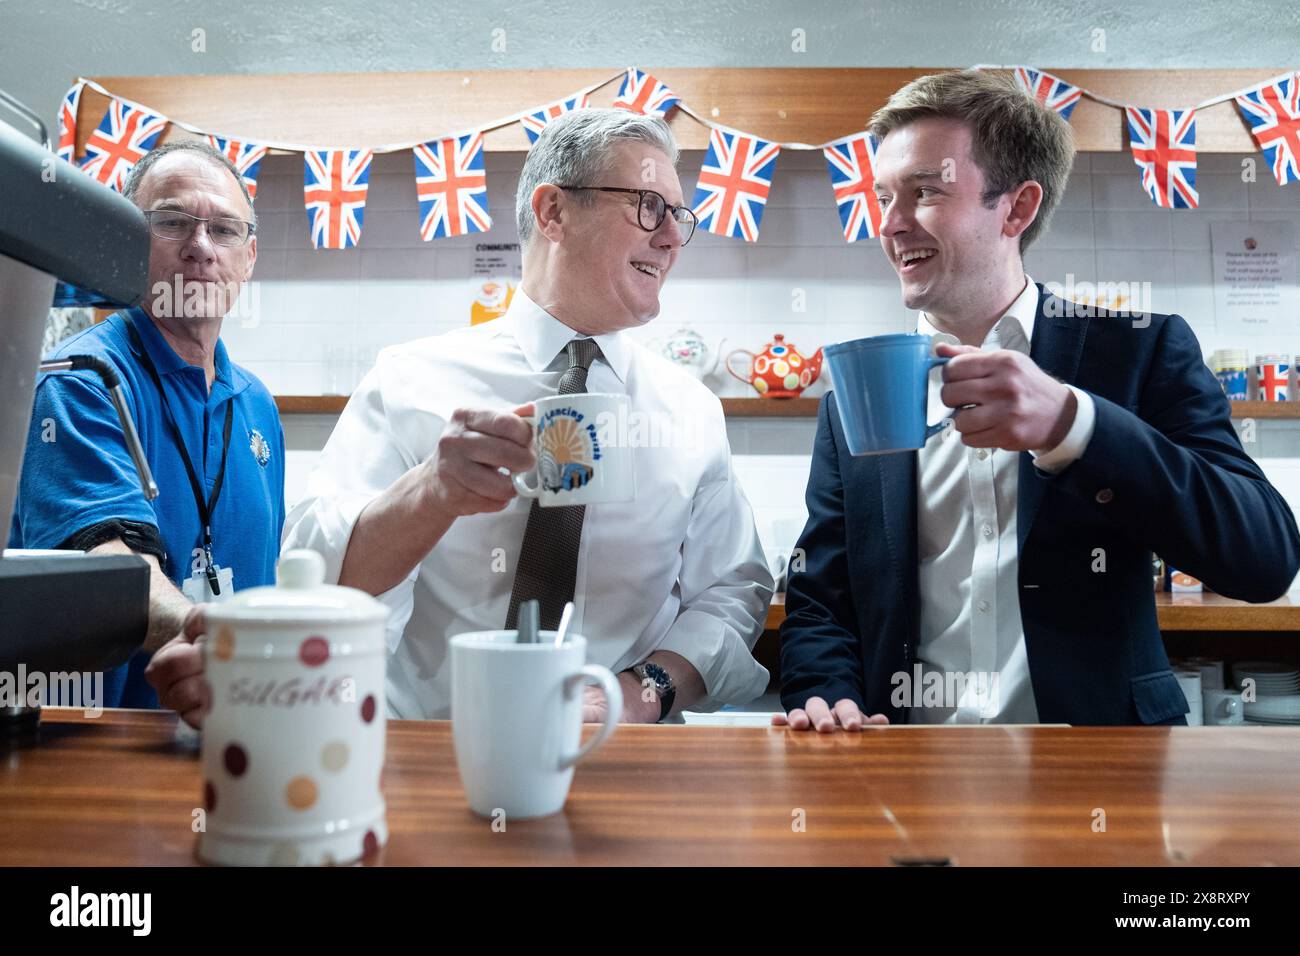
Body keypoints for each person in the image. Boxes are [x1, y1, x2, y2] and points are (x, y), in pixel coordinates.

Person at [149, 108, 772, 723]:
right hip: (429, 763)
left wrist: (642, 691)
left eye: (678, 216)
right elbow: (320, 587)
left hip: (625, 763)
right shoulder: (409, 380)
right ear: (553, 211)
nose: (670, 237)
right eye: (648, 206)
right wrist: (431, 492)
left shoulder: (690, 411)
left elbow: (734, 590)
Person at [777, 69, 1300, 731]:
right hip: (904, 768)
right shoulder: (854, 392)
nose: (890, 224)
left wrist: (1073, 426)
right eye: (883, 196)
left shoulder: (1140, 351)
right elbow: (822, 598)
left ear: (1017, 209)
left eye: (925, 192)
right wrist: (827, 694)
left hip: (1099, 772)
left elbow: (1264, 558)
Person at [10, 140, 284, 716]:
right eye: (173, 223)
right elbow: (105, 560)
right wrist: (212, 636)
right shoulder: (82, 382)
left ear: (250, 256)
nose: (201, 249)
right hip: (102, 746)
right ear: (129, 241)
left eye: (225, 230)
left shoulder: (257, 404)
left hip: (232, 732)